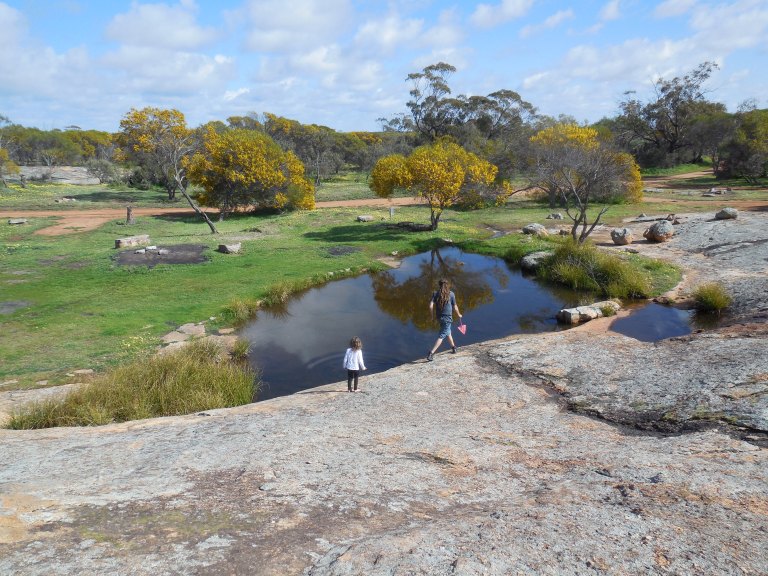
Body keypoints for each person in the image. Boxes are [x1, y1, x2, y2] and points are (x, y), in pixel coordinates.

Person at [427, 278, 462, 361]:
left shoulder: (435, 293)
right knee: (442, 335)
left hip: (439, 317)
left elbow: (430, 306)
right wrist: (459, 314)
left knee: (448, 332)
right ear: (447, 285)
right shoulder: (451, 294)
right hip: (447, 318)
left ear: (439, 285)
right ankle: (431, 353)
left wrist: (431, 316)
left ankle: (453, 347)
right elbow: (455, 306)